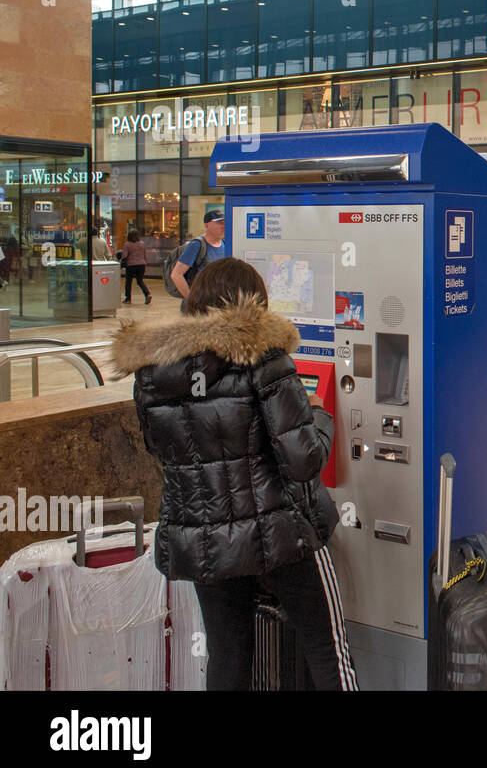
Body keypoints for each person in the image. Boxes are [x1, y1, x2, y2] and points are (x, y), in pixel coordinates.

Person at [111, 257, 357, 690]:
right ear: (253, 305)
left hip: (206, 541)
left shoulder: (153, 374)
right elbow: (304, 461)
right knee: (327, 649)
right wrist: (319, 416)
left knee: (227, 657)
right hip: (284, 532)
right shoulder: (264, 359)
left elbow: (162, 450)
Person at [172, 209, 227, 308]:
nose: (223, 226)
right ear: (207, 225)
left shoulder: (225, 244)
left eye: (225, 222)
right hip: (198, 305)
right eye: (219, 223)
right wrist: (192, 300)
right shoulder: (197, 245)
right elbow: (176, 274)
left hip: (216, 304)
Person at [121, 228, 152, 305]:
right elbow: (145, 254)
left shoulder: (127, 244)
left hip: (131, 265)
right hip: (141, 264)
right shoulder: (142, 243)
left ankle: (128, 298)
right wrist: (145, 263)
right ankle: (147, 294)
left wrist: (122, 263)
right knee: (140, 281)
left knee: (128, 282)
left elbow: (124, 256)